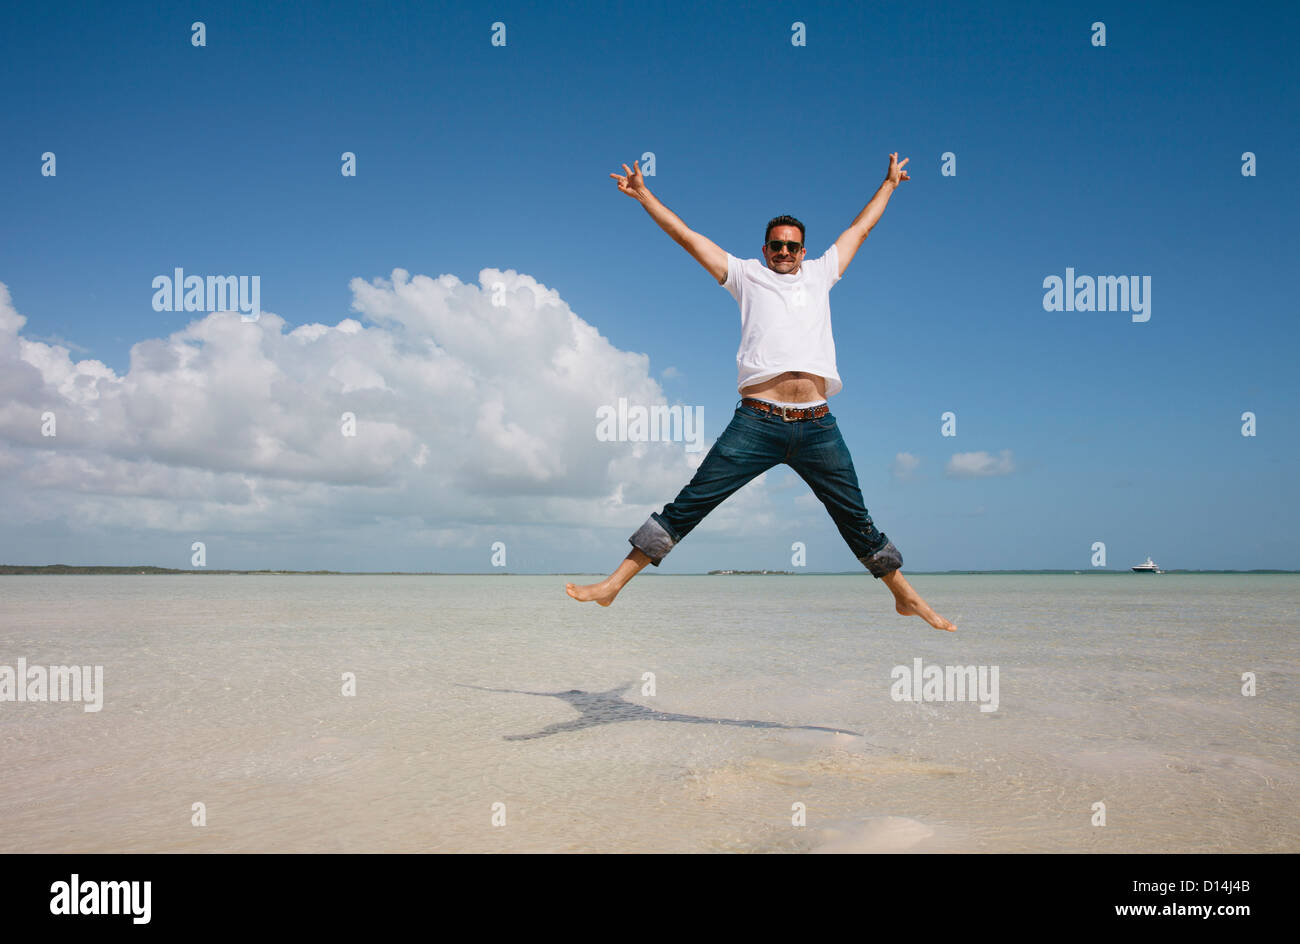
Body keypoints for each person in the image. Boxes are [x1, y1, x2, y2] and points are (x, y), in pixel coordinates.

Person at [566, 153, 955, 632]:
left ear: (804, 252)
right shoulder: (746, 276)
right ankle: (613, 586)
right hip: (757, 421)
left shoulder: (821, 274)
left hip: (817, 425)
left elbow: (860, 230)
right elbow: (687, 237)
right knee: (690, 503)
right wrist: (644, 194)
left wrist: (890, 184)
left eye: (793, 247)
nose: (785, 253)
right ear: (765, 249)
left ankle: (905, 597)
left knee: (855, 516)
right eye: (777, 246)